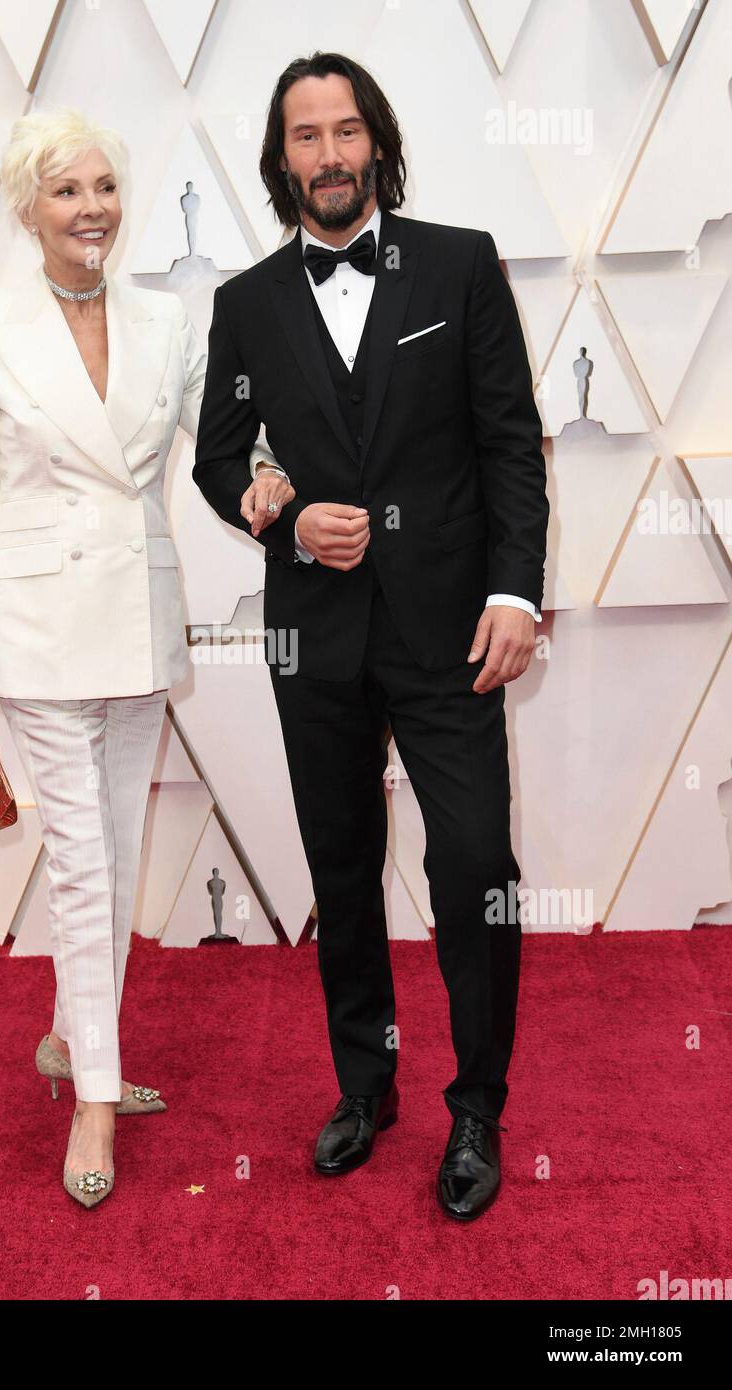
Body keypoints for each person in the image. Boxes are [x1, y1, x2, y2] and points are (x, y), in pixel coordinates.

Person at [194, 53, 548, 1221]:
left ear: (376, 144)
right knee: (341, 873)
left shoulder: (458, 261)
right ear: (279, 158)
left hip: (455, 632)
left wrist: (514, 594)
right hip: (317, 640)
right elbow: (217, 459)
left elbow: (509, 442)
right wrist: (290, 520)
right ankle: (365, 1084)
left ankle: (479, 1105)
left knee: (474, 863)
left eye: (346, 132)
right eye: (306, 137)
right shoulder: (243, 303)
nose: (329, 155)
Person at [0, 107, 278, 1209]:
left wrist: (266, 478)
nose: (92, 210)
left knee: (120, 852)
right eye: (66, 192)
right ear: (26, 208)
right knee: (81, 862)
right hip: (35, 629)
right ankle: (95, 1089)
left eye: (104, 188)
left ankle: (65, 1035)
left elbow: (211, 442)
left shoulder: (162, 320)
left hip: (136, 619)